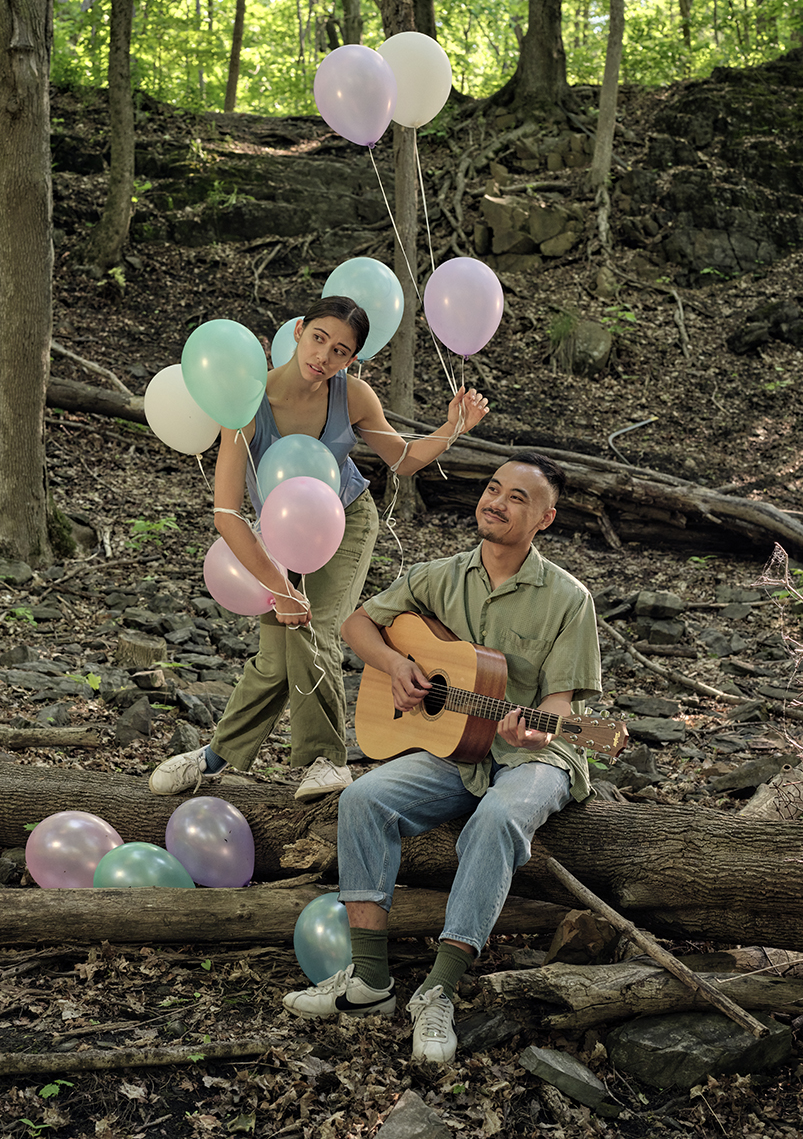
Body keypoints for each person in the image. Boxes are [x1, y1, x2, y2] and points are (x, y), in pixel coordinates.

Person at [282, 453, 610, 1063]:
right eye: (492, 488)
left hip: (534, 756)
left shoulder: (569, 599)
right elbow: (357, 625)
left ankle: (439, 991)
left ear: (545, 518)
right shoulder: (439, 576)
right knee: (362, 798)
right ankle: (370, 981)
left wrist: (539, 730)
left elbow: (563, 707)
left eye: (517, 497)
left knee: (498, 818)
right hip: (457, 749)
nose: (497, 501)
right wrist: (397, 667)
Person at [150, 296, 489, 802]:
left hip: (346, 519)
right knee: (275, 656)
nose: (324, 357)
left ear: (351, 359)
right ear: (298, 332)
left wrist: (451, 427)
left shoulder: (352, 396)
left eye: (340, 351)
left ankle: (326, 761)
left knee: (315, 625)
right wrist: (278, 586)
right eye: (318, 339)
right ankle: (215, 758)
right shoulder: (246, 403)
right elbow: (226, 514)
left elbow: (402, 459)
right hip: (279, 532)